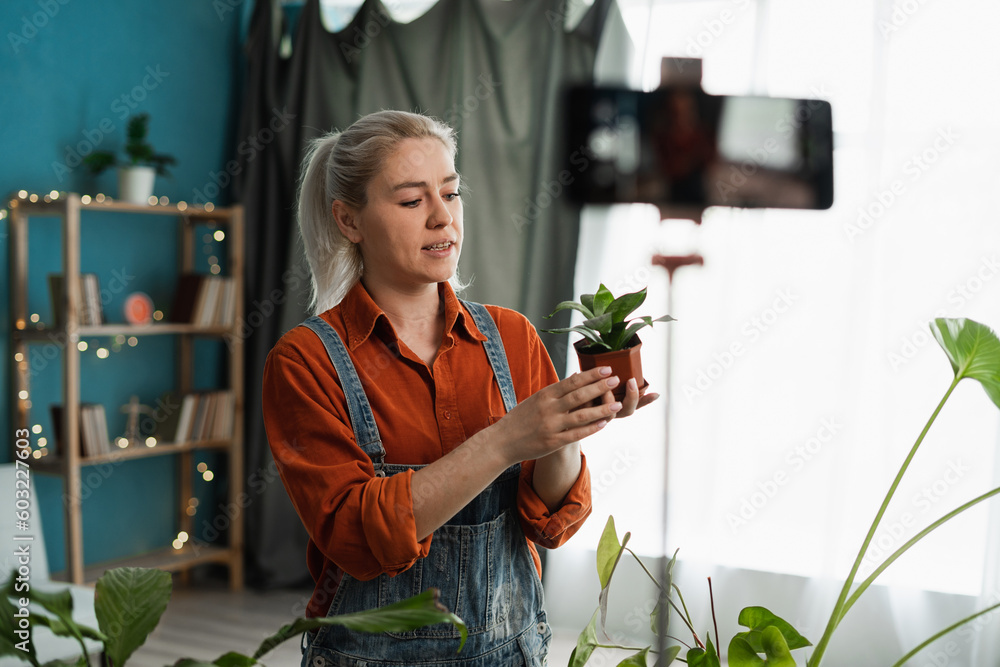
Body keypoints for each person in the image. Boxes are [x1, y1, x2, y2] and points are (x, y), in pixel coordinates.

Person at [261, 110, 657, 666]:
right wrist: (506, 440)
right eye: (411, 200)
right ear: (349, 220)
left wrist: (565, 431)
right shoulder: (305, 361)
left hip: (513, 652)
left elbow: (549, 521)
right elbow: (356, 537)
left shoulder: (511, 335)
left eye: (451, 193)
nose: (442, 217)